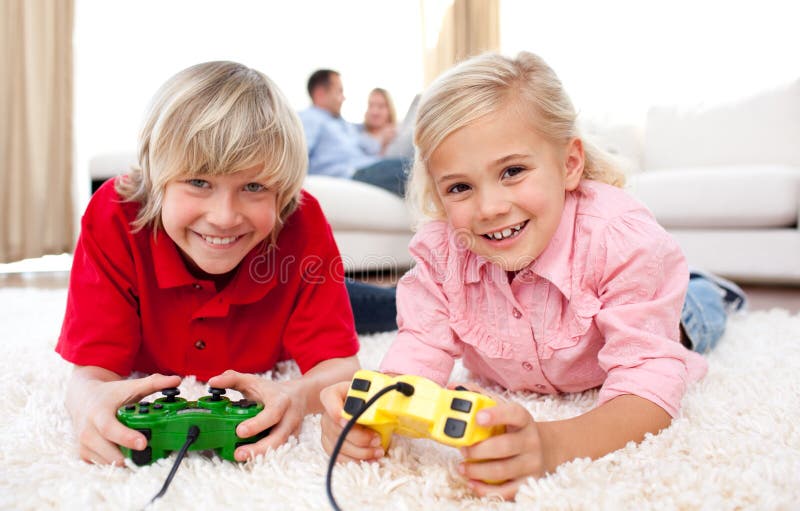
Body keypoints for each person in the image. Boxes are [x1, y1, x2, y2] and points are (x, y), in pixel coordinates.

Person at [319, 51, 746, 500]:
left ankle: (708, 287)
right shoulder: (443, 251)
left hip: (665, 305)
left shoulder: (620, 240)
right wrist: (373, 409)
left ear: (569, 164)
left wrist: (550, 443)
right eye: (460, 187)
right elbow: (420, 347)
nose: (490, 208)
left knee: (693, 316)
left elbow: (649, 385)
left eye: (513, 171)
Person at [56, 61, 380, 467]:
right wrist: (87, 404)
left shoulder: (302, 221)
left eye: (254, 186)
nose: (224, 217)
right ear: (157, 177)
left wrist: (298, 396)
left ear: (283, 194)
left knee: (389, 307)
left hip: (301, 286)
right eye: (198, 182)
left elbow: (341, 369)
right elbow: (87, 377)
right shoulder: (112, 215)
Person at [299, 69, 409, 197]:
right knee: (409, 169)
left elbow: (365, 144)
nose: (343, 98)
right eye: (339, 91)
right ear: (320, 94)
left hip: (367, 166)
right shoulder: (310, 118)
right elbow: (299, 153)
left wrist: (383, 140)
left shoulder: (341, 123)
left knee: (413, 165)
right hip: (352, 173)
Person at [358, 87, 397, 156]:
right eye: (371, 106)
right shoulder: (358, 134)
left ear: (389, 110)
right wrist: (381, 143)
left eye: (381, 106)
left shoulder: (398, 133)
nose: (375, 112)